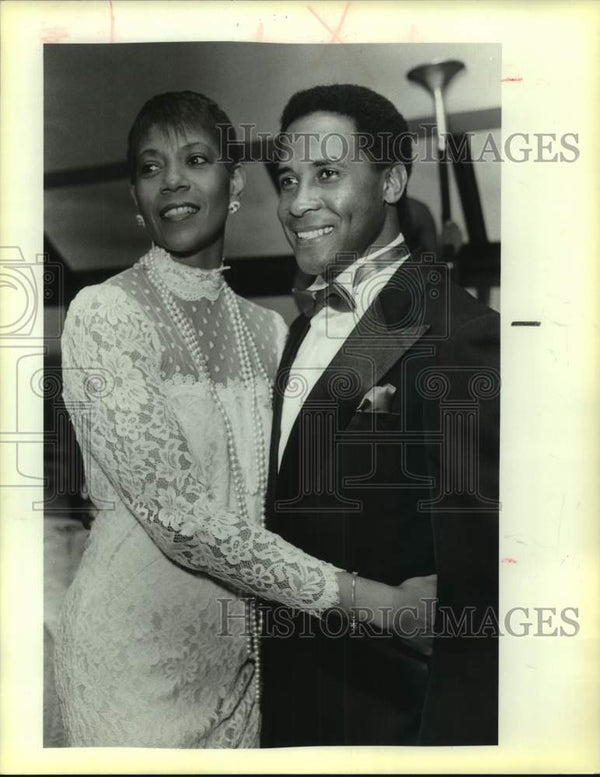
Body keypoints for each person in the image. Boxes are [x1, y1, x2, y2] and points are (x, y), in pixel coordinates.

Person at [54, 90, 433, 748]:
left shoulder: (270, 329)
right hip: (133, 665)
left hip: (247, 670)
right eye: (150, 167)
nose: (172, 180)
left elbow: (288, 499)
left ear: (233, 185)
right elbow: (184, 523)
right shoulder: (103, 313)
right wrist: (377, 603)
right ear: (135, 197)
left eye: (196, 159)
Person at [260, 84, 500, 747]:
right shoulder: (299, 332)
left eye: (327, 174)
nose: (298, 201)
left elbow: (477, 610)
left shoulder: (460, 334)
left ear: (393, 178)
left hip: (391, 729)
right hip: (291, 715)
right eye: (288, 179)